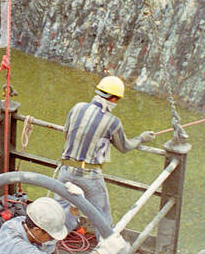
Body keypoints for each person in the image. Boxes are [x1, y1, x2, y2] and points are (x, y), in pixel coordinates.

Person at [55, 75, 156, 234]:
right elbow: (125, 147)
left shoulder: (77, 107)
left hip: (66, 170)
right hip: (90, 175)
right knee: (102, 215)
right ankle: (104, 247)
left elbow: (66, 133)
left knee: (59, 211)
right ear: (114, 98)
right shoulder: (112, 121)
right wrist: (142, 138)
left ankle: (54, 241)